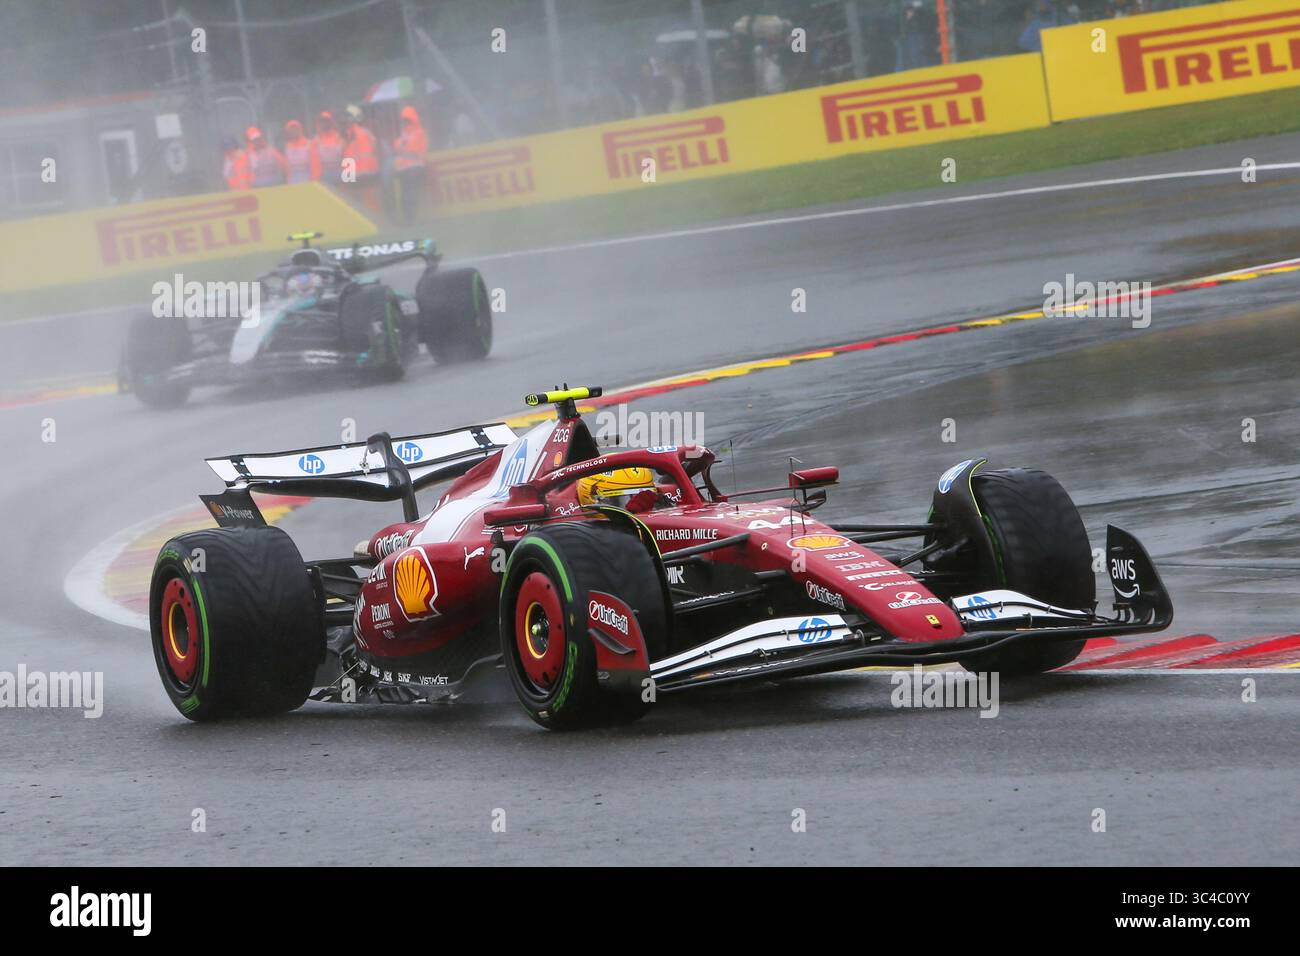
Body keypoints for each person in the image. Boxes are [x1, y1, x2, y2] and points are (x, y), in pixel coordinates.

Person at [391, 104, 428, 225]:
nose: (404, 123)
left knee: (410, 194)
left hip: (415, 168)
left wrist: (403, 146)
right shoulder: (403, 135)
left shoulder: (419, 132)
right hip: (403, 169)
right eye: (403, 120)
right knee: (404, 195)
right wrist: (402, 146)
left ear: (413, 119)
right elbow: (396, 147)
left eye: (407, 120)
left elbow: (413, 150)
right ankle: (407, 219)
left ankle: (411, 219)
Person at [341, 105, 380, 213]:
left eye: (347, 117)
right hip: (368, 172)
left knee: (357, 201)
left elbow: (346, 154)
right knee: (369, 199)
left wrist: (347, 177)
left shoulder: (350, 133)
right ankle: (377, 221)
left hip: (359, 173)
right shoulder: (367, 133)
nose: (344, 120)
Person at [282, 120, 319, 184]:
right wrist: (289, 181)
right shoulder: (288, 147)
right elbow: (287, 168)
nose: (293, 131)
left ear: (300, 129)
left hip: (308, 180)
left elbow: (316, 166)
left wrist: (314, 181)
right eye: (291, 130)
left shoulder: (309, 144)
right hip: (293, 182)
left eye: (295, 129)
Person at [313, 111, 344, 183]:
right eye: (323, 121)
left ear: (331, 122)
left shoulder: (340, 137)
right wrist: (316, 179)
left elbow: (347, 157)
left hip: (340, 173)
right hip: (324, 175)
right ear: (319, 124)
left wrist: (349, 179)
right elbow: (314, 163)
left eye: (327, 121)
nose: (325, 124)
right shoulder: (316, 141)